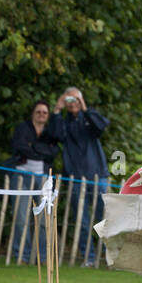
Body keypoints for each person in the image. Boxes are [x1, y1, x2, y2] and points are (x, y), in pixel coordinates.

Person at [52, 87, 109, 265]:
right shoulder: (64, 122)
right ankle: (89, 258)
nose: (72, 104)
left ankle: (110, 256)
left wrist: (84, 106)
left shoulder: (89, 119)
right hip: (75, 177)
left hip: (97, 174)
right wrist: (57, 109)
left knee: (104, 217)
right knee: (81, 220)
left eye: (75, 100)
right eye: (69, 100)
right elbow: (54, 136)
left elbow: (101, 126)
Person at [6, 99, 60, 264]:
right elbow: (20, 146)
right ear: (33, 114)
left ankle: (43, 257)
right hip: (22, 175)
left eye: (44, 112)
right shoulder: (23, 128)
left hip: (43, 176)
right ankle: (22, 255)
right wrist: (40, 150)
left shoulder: (50, 132)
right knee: (21, 217)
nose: (41, 115)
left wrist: (34, 147)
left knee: (44, 217)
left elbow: (53, 151)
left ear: (48, 115)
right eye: (38, 112)